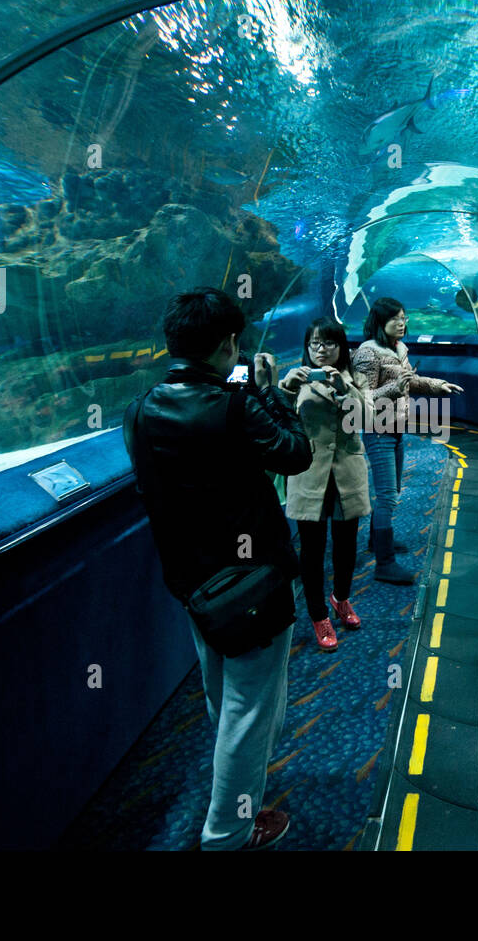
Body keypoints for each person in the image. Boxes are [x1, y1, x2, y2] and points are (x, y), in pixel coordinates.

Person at [122, 287, 312, 851]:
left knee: (223, 695)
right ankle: (228, 831)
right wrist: (268, 393)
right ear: (230, 342)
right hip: (253, 581)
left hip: (194, 584)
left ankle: (240, 795)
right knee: (250, 709)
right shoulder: (234, 404)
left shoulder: (139, 411)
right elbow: (295, 454)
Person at [352, 297, 463, 584]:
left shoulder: (399, 348)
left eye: (404, 317)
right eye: (395, 319)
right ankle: (384, 564)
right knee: (388, 495)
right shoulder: (367, 353)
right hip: (377, 429)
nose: (402, 324)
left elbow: (410, 380)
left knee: (394, 490)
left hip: (397, 427)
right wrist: (392, 387)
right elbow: (361, 400)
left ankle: (377, 542)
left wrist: (438, 386)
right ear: (380, 322)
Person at [279, 318, 372, 652]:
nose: (321, 350)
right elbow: (274, 421)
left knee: (347, 547)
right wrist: (286, 389)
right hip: (309, 474)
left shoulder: (355, 378)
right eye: (314, 344)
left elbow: (368, 418)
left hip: (347, 472)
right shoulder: (295, 380)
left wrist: (345, 388)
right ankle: (319, 616)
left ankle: (341, 598)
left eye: (328, 343)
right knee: (313, 551)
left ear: (341, 347)